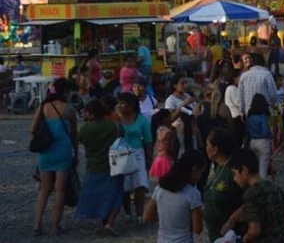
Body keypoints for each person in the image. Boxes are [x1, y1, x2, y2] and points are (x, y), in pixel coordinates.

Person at [31, 77, 79, 235]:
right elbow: (74, 135)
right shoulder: (69, 109)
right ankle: (55, 225)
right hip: (63, 151)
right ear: (65, 92)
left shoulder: (43, 106)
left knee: (44, 190)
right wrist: (76, 153)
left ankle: (37, 225)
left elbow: (32, 130)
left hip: (46, 151)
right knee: (60, 189)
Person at [75, 98, 123, 235]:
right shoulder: (115, 126)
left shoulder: (86, 129)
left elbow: (80, 140)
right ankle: (110, 223)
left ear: (91, 114)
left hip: (94, 167)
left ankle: (101, 219)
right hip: (115, 166)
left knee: (96, 195)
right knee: (115, 195)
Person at [230, 147, 284, 243]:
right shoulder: (275, 187)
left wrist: (244, 239)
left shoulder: (251, 194)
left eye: (235, 174)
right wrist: (274, 230)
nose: (234, 179)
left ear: (244, 170)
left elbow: (254, 231)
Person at [143, 150, 206, 243]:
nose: (200, 176)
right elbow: (197, 229)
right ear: (194, 169)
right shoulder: (193, 194)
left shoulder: (160, 189)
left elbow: (147, 217)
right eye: (201, 172)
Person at [203, 128, 246, 241]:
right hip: (217, 234)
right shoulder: (220, 167)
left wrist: (232, 219)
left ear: (215, 149)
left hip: (231, 235)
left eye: (207, 145)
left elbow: (252, 198)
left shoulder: (233, 171)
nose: (205, 148)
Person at [118, 92, 153, 221]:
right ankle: (127, 213)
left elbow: (148, 140)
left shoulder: (142, 119)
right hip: (121, 154)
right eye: (119, 103)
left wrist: (149, 158)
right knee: (125, 186)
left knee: (140, 184)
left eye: (123, 103)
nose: (120, 106)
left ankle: (139, 213)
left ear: (131, 105)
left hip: (138, 153)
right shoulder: (116, 118)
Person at [246, 94, 273, 179]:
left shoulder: (249, 116)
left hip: (252, 142)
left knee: (255, 168)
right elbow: (265, 132)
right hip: (263, 142)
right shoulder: (263, 117)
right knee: (263, 170)